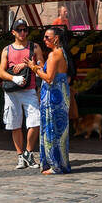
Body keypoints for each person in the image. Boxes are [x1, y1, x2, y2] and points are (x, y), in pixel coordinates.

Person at [27, 26, 74, 174]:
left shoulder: (54, 55)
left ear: (56, 38)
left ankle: (55, 166)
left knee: (51, 129)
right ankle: (61, 163)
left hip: (53, 96)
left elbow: (48, 78)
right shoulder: (63, 53)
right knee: (60, 130)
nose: (44, 40)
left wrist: (33, 67)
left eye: (47, 37)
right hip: (61, 94)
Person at [0, 19, 42, 169]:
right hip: (12, 92)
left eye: (25, 30)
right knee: (14, 124)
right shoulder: (7, 50)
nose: (23, 33)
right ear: (13, 32)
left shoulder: (34, 47)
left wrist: (28, 65)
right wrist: (14, 78)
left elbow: (42, 66)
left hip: (29, 89)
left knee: (35, 121)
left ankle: (28, 153)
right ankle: (20, 155)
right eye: (19, 30)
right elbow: (1, 72)